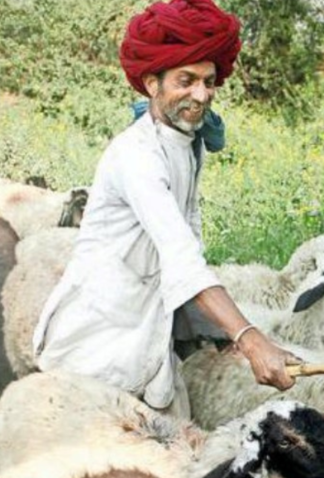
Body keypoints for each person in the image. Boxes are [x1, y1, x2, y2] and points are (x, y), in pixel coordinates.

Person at [33, 0, 298, 417]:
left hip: (149, 331)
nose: (201, 94)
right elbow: (181, 258)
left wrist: (223, 334)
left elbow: (189, 239)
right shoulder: (137, 156)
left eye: (209, 82)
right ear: (152, 83)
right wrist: (250, 339)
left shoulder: (189, 145)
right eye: (186, 80)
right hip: (100, 341)